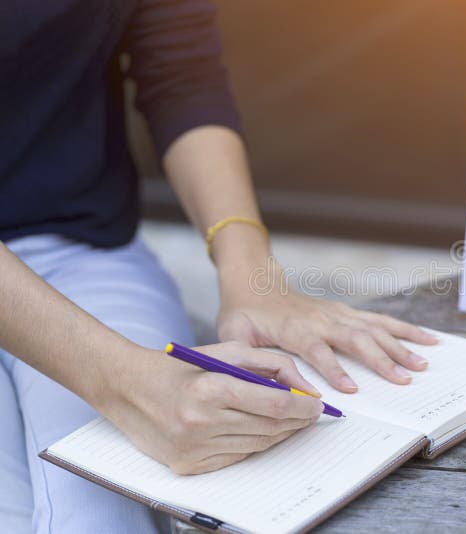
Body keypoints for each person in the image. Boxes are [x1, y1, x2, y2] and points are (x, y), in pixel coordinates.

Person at [0, 2, 437, 532]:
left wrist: (251, 273)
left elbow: (181, 76)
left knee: (101, 510)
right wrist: (125, 384)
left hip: (80, 245)